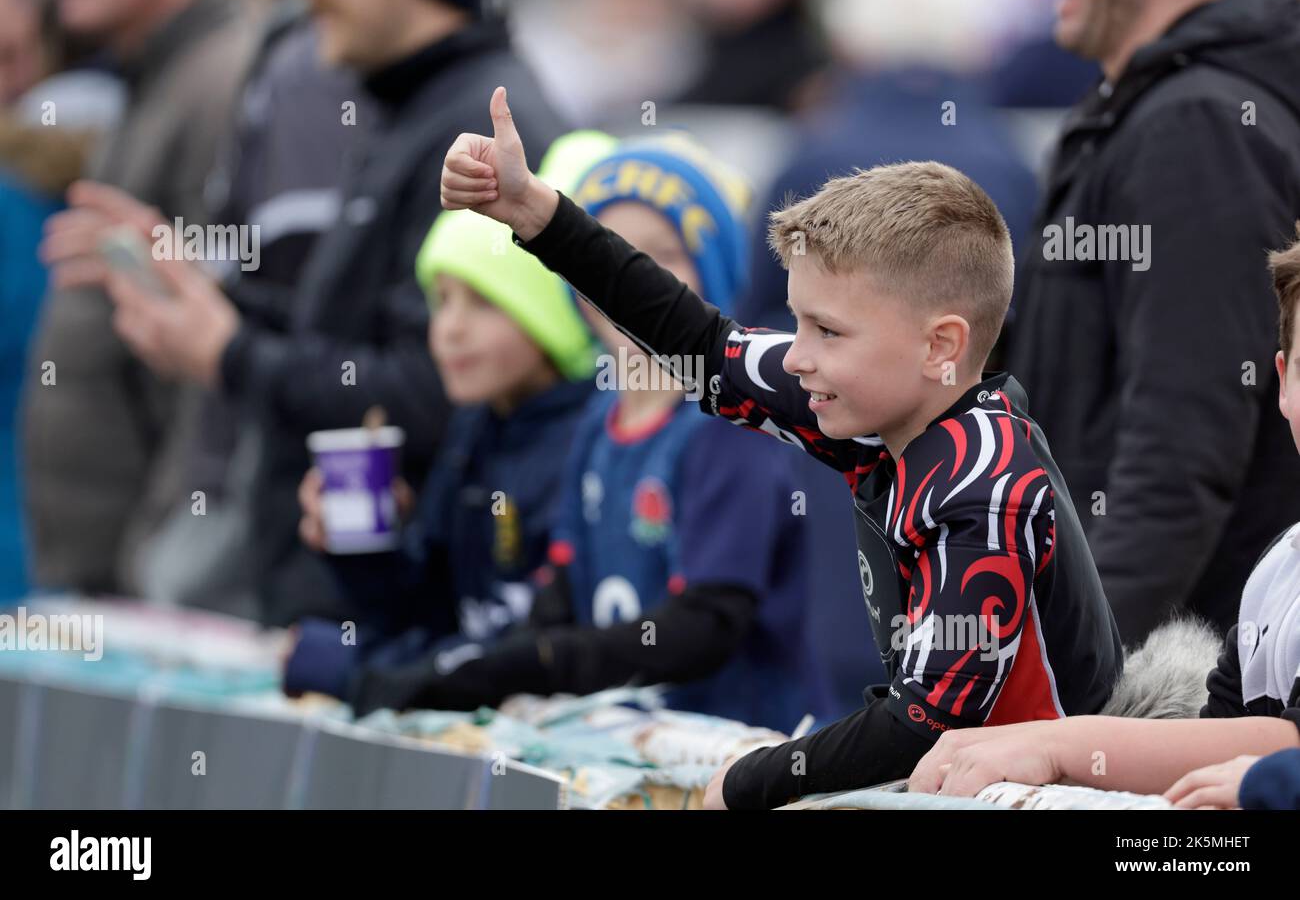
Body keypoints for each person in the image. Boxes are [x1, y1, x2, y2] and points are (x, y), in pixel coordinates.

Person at [438, 87, 1122, 811]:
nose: (794, 357)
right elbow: (700, 344)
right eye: (795, 323)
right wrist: (539, 216)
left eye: (825, 331)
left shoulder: (982, 483)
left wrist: (749, 778)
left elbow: (924, 722)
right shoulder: (889, 406)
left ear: (940, 345)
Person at [97, 0, 567, 623]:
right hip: (339, 609)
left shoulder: (483, 133)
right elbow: (352, 328)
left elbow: (437, 390)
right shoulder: (410, 105)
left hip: (416, 630)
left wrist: (230, 353)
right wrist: (199, 296)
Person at [347, 137, 817, 733]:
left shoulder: (733, 425)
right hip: (624, 751)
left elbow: (703, 628)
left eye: (661, 256)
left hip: (735, 755)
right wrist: (455, 673)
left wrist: (532, 666)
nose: (634, 284)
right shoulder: (599, 419)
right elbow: (562, 593)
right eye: (618, 259)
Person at [909, 227, 1300, 807]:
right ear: (1284, 380)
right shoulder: (1278, 571)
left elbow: (1284, 746)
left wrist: (1057, 745)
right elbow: (1215, 745)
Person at [1006, 0, 1300, 643]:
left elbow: (1178, 461)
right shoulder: (1157, 109)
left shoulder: (1196, 126)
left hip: (1178, 694)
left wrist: (1052, 680)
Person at [283, 133, 606, 702]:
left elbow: (523, 658)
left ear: (552, 317)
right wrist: (363, 548)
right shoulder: (478, 427)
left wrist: (355, 674)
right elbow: (431, 614)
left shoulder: (585, 443)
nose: (448, 329)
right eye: (440, 300)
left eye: (482, 303)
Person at [25, 0, 258, 595]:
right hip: (112, 581)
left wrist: (161, 558)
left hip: (147, 585)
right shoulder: (160, 75)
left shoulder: (218, 83)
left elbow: (209, 368)